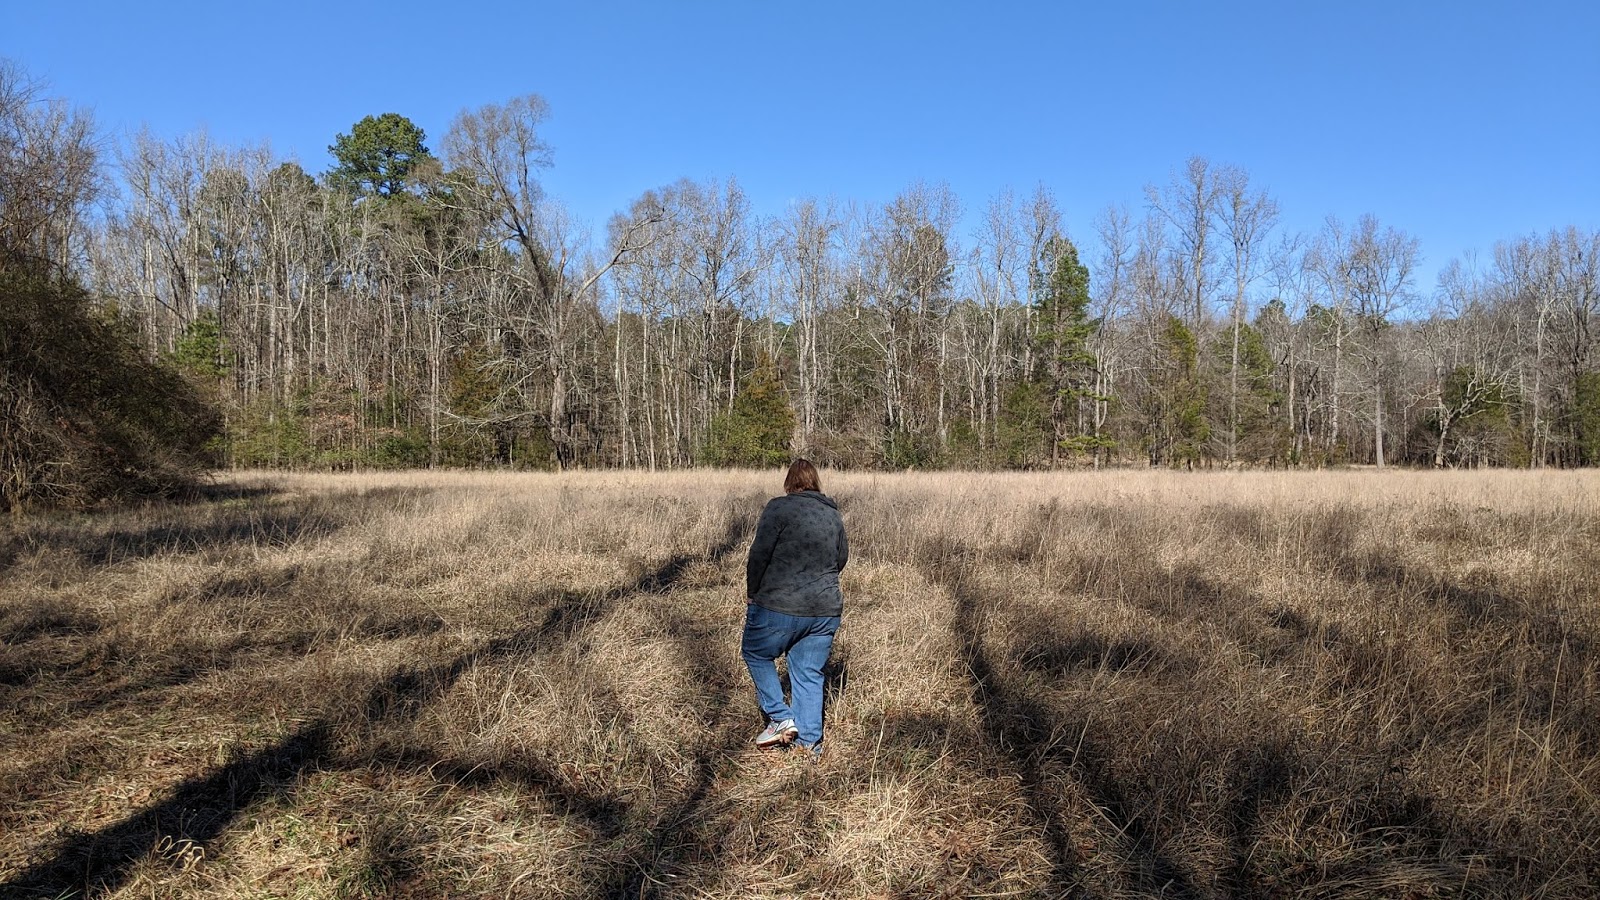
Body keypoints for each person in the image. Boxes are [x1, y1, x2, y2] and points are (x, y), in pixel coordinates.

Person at [742, 458, 848, 759]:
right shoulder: (832, 514)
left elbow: (759, 554)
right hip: (825, 609)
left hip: (780, 604)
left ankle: (780, 717)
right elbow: (841, 559)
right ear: (816, 482)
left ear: (789, 483)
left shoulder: (778, 507)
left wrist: (753, 592)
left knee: (755, 652)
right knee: (809, 673)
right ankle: (810, 748)